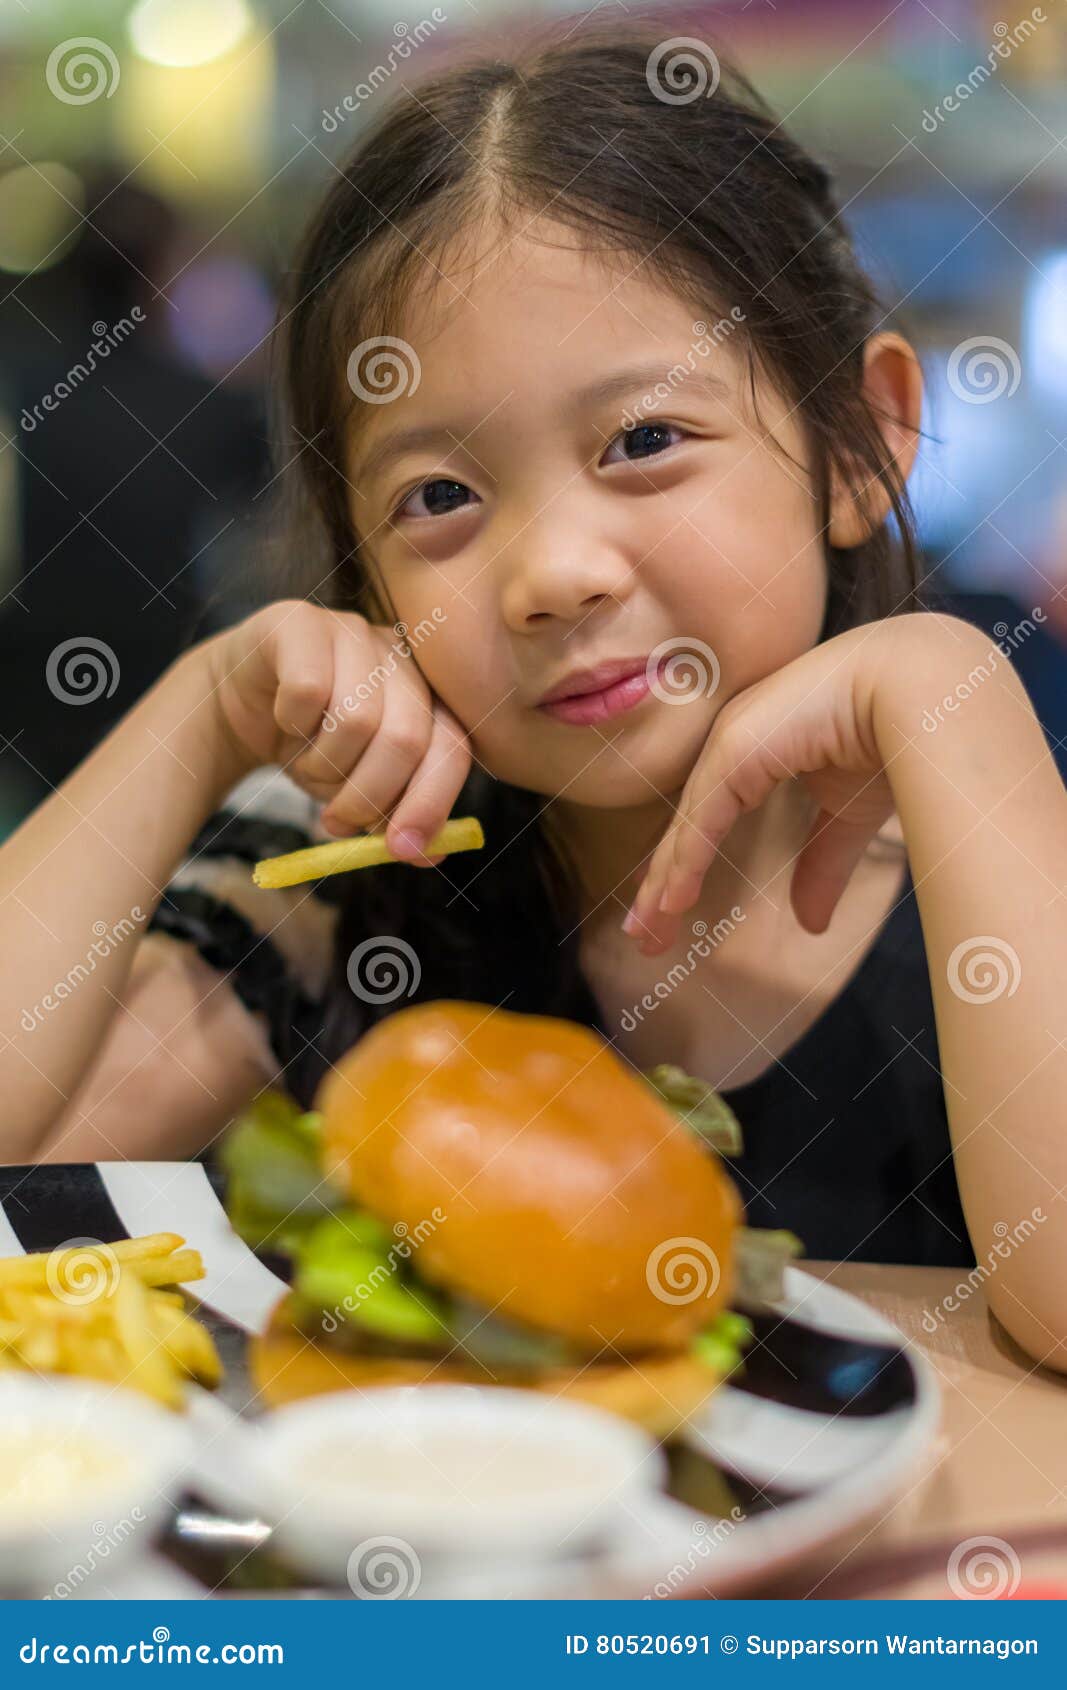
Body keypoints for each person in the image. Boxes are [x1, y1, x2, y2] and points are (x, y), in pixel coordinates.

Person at [2, 24, 1066, 1370]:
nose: (551, 577)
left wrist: (957, 693)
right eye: (438, 496)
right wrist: (204, 711)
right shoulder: (348, 873)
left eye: (645, 440)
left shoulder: (1014, 848)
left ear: (864, 444)